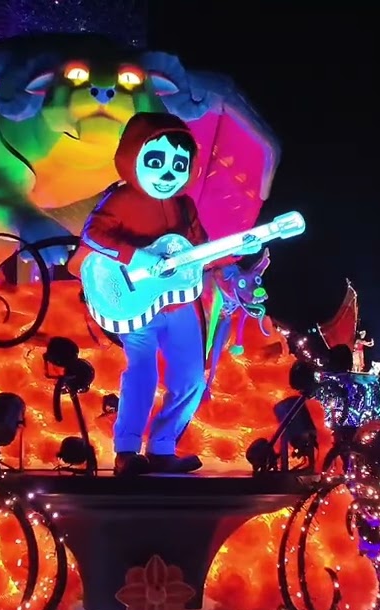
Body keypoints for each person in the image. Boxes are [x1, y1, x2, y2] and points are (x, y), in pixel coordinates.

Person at [78, 112, 259, 477]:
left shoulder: (184, 206)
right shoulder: (121, 199)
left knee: (192, 377)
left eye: (179, 164)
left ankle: (163, 447)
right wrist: (136, 255)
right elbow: (93, 235)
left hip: (179, 303)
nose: (167, 173)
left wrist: (234, 252)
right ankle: (127, 451)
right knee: (141, 374)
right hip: (133, 301)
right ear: (132, 157)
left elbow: (200, 249)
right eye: (156, 161)